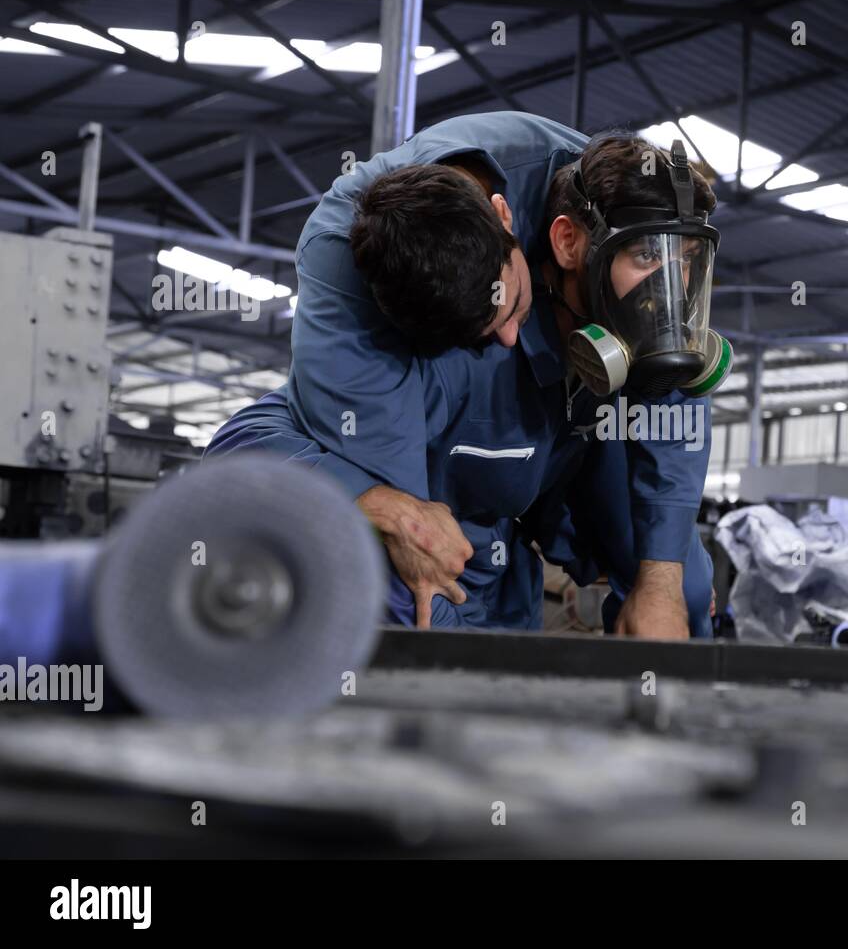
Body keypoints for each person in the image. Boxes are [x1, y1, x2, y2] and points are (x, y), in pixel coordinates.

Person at [205, 112, 726, 637]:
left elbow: (668, 366)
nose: (510, 337)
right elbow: (412, 533)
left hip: (572, 427)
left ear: (507, 218)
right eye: (488, 330)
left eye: (513, 306)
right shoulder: (345, 270)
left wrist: (661, 581)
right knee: (404, 574)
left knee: (681, 589)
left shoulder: (616, 201)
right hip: (469, 439)